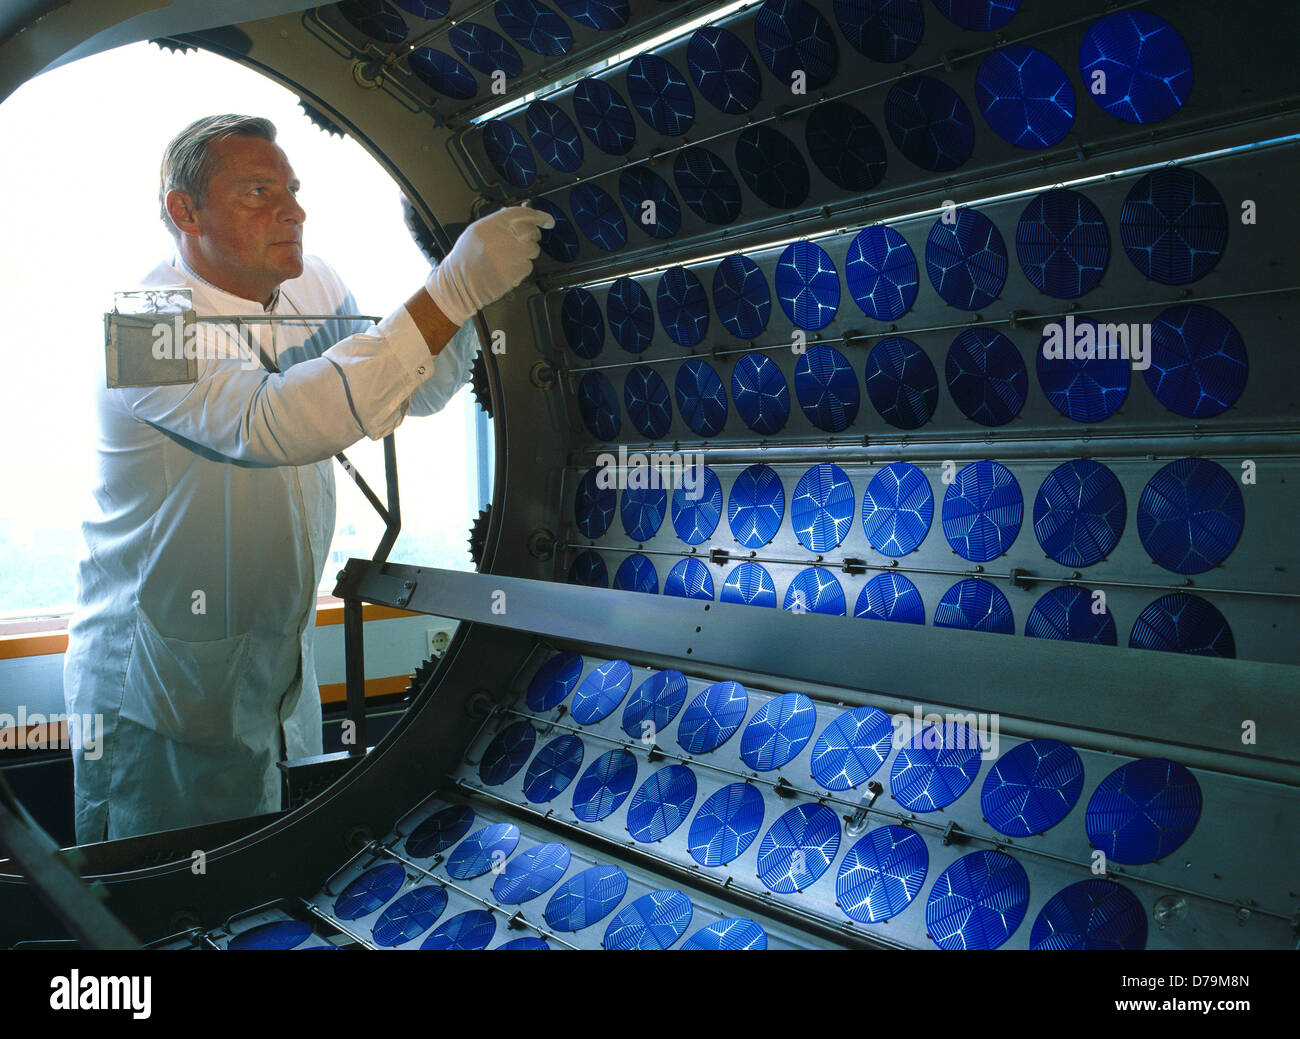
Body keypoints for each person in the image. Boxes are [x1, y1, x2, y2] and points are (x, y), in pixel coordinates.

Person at [62, 114, 552, 843]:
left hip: (276, 671)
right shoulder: (141, 326)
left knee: (261, 886)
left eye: (292, 189)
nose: (293, 209)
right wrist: (450, 290)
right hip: (160, 697)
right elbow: (271, 421)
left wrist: (467, 294)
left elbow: (402, 389)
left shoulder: (311, 281)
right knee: (170, 902)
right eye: (259, 191)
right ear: (183, 212)